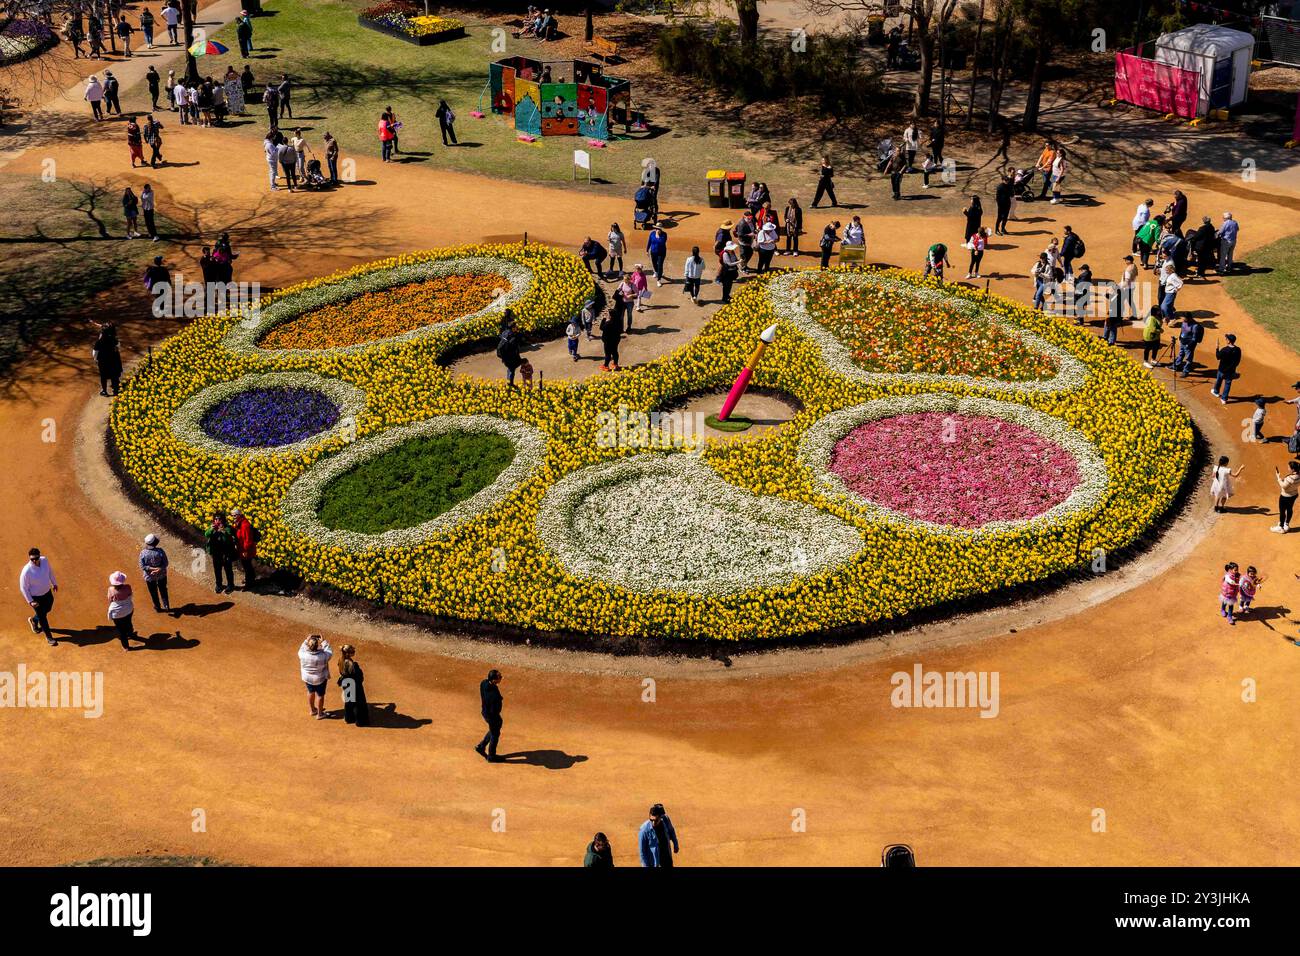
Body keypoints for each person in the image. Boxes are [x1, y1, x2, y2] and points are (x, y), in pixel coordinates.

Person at [20, 548, 58, 647]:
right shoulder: (26, 571)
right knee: (43, 617)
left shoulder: (44, 560)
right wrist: (31, 601)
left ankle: (34, 620)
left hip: (47, 593)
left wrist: (54, 583)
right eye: (32, 559)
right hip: (36, 598)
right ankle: (49, 637)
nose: (34, 561)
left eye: (36, 558)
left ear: (39, 556)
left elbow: (50, 571)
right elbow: (23, 588)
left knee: (48, 608)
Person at [299, 634, 334, 719]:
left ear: (309, 646)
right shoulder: (323, 656)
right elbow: (329, 651)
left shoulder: (302, 654)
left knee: (310, 692)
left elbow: (302, 647)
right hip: (320, 679)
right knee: (320, 695)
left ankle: (312, 710)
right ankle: (320, 714)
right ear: (317, 645)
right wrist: (323, 641)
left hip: (308, 678)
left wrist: (306, 640)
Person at [475, 668, 504, 761]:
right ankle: (491, 756)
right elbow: (496, 709)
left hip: (485, 712)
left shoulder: (483, 683)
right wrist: (496, 717)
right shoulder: (493, 695)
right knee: (495, 734)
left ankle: (481, 746)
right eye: (500, 677)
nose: (501, 677)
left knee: (493, 730)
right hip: (492, 716)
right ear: (494, 680)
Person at [338, 644, 370, 727]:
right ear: (349, 653)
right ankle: (360, 722)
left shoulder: (340, 661)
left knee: (349, 702)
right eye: (353, 651)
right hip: (354, 685)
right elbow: (359, 678)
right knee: (359, 704)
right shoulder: (354, 665)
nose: (354, 652)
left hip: (346, 684)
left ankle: (348, 718)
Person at [205, 513, 237, 592]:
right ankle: (219, 584)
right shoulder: (212, 527)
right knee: (217, 570)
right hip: (216, 553)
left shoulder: (227, 528)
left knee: (228, 569)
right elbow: (206, 534)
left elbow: (229, 538)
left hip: (226, 553)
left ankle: (230, 585)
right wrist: (211, 529)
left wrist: (223, 531)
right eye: (216, 519)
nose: (217, 521)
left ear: (223, 520)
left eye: (219, 519)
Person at [139, 533, 171, 613]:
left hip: (150, 576)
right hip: (161, 575)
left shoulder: (143, 553)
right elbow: (166, 563)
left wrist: (152, 569)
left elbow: (142, 566)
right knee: (163, 589)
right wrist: (158, 569)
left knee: (153, 592)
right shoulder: (160, 551)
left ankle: (157, 607)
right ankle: (166, 605)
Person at [107, 571, 138, 649]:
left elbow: (110, 600)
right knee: (128, 622)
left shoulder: (111, 589)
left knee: (121, 630)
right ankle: (131, 634)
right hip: (128, 609)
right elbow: (130, 595)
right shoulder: (128, 587)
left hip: (117, 614)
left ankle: (126, 647)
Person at [230, 508, 259, 588]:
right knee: (247, 565)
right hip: (242, 548)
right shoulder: (239, 522)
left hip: (246, 550)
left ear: (239, 515)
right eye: (232, 515)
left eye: (235, 515)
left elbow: (248, 540)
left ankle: (250, 583)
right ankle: (250, 579)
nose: (233, 517)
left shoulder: (245, 525)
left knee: (247, 566)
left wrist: (245, 550)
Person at [93, 322, 123, 395]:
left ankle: (104, 391)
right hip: (114, 360)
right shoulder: (114, 340)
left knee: (103, 376)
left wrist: (95, 359)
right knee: (114, 375)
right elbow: (118, 346)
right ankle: (115, 390)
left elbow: (95, 352)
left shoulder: (99, 342)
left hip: (103, 361)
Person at [1211, 334, 1241, 404]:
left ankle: (1216, 392)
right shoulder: (1238, 350)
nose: (1226, 340)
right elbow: (1238, 361)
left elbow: (1218, 357)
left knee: (1219, 381)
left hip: (1222, 370)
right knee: (1227, 384)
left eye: (1226, 339)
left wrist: (1217, 348)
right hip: (1231, 371)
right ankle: (1224, 399)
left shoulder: (1224, 350)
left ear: (1229, 341)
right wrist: (1233, 367)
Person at [1272, 461, 1299, 534]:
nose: (1288, 468)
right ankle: (1286, 524)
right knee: (1290, 509)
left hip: (1285, 496)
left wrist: (1278, 477)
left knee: (1282, 511)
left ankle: (1281, 527)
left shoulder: (1290, 478)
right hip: (1294, 495)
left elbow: (1283, 486)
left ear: (1293, 469)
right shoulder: (1298, 476)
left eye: (1289, 467)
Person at [496, 312, 523, 386]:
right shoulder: (512, 336)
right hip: (510, 356)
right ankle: (510, 384)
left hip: (504, 356)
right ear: (513, 328)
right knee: (512, 369)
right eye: (515, 327)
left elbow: (501, 337)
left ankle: (509, 382)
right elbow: (513, 346)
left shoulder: (505, 332)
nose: (517, 328)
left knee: (510, 369)